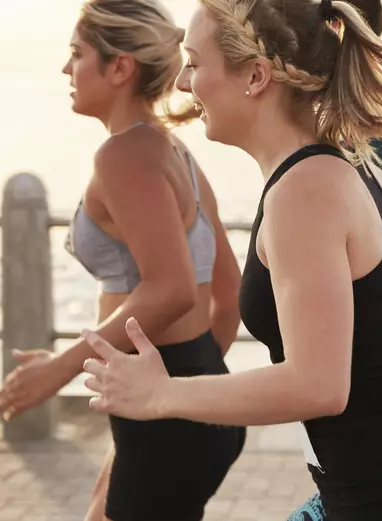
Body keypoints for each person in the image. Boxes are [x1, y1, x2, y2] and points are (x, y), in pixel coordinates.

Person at [75, 1, 382, 520]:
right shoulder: (353, 168)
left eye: (194, 62)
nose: (183, 84)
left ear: (255, 76)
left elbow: (317, 385)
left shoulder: (304, 191)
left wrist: (164, 395)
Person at [0, 2, 245, 520]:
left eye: (76, 54)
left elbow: (172, 287)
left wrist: (58, 372)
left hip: (165, 410)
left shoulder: (122, 157)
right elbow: (229, 292)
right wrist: (196, 385)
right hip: (174, 397)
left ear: (119, 67)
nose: (67, 69)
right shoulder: (176, 152)